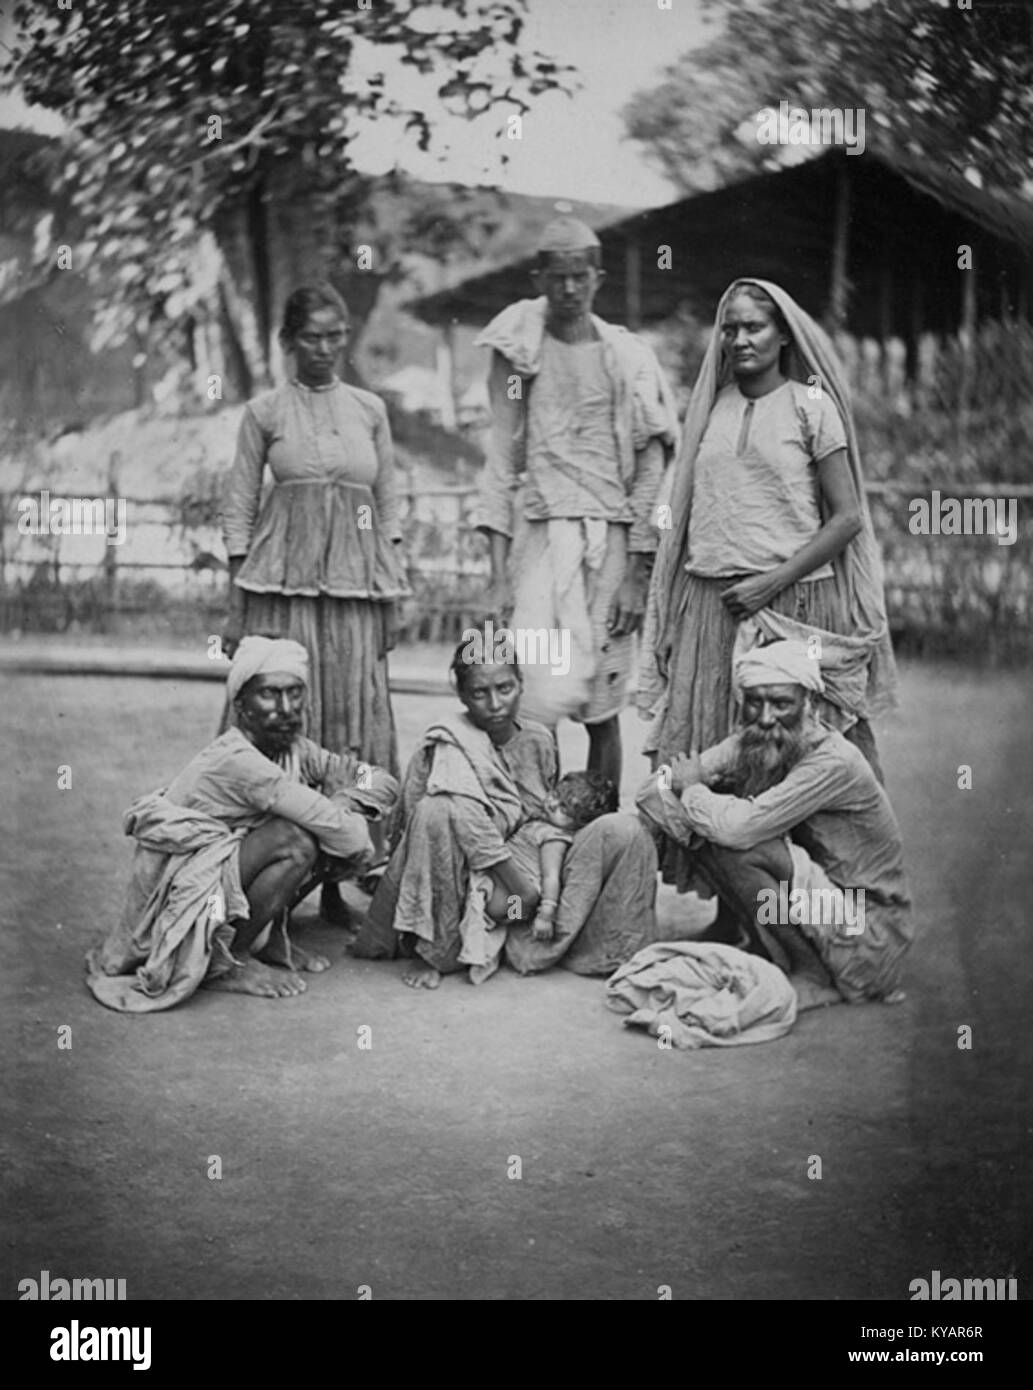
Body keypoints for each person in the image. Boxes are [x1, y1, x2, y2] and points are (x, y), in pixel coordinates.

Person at [640, 280, 896, 882]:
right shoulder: (713, 408)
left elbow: (848, 517)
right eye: (729, 327)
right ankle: (736, 911)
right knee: (716, 753)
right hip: (714, 605)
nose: (740, 338)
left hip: (795, 602)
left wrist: (769, 583)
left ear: (783, 333)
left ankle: (826, 904)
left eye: (754, 326)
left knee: (792, 752)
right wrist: (685, 611)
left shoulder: (812, 406)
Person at [220, 282, 409, 923]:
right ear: (287, 341)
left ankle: (338, 885)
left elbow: (387, 504)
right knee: (289, 719)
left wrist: (394, 589)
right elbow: (241, 506)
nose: (325, 348)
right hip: (283, 585)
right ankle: (265, 884)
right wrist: (236, 600)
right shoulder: (265, 411)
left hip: (357, 589)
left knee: (355, 721)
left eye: (335, 336)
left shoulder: (369, 409)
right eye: (311, 337)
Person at [473, 215, 679, 789]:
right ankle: (541, 832)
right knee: (534, 699)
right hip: (539, 540)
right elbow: (502, 456)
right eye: (556, 277)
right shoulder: (520, 349)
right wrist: (496, 575)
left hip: (609, 547)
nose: (567, 289)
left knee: (602, 707)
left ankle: (600, 842)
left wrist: (638, 572)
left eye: (579, 277)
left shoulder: (626, 357)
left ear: (598, 278)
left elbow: (651, 466)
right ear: (539, 277)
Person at [86, 638, 398, 1012]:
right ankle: (230, 961)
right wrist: (342, 811)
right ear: (240, 706)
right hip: (174, 902)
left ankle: (263, 941)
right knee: (296, 840)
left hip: (217, 884)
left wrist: (347, 799)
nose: (285, 709)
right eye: (269, 694)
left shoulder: (296, 749)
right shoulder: (239, 761)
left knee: (317, 829)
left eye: (294, 693)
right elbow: (350, 837)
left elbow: (377, 779)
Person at [351, 636, 660, 989]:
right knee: (437, 808)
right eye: (480, 693)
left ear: (521, 685)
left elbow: (549, 811)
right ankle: (442, 947)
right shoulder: (450, 739)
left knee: (626, 829)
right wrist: (524, 892)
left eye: (505, 688)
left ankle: (611, 948)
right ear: (462, 695)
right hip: (477, 892)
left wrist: (542, 882)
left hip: (538, 876)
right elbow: (446, 830)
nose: (495, 704)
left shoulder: (538, 738)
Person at [636, 641, 912, 1009]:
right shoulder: (762, 739)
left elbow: (736, 828)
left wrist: (696, 789)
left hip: (870, 936)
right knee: (705, 825)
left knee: (734, 842)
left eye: (782, 704)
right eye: (755, 702)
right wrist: (693, 792)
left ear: (809, 704)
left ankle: (812, 974)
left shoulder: (834, 762)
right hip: (826, 906)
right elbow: (652, 790)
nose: (766, 716)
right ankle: (770, 949)